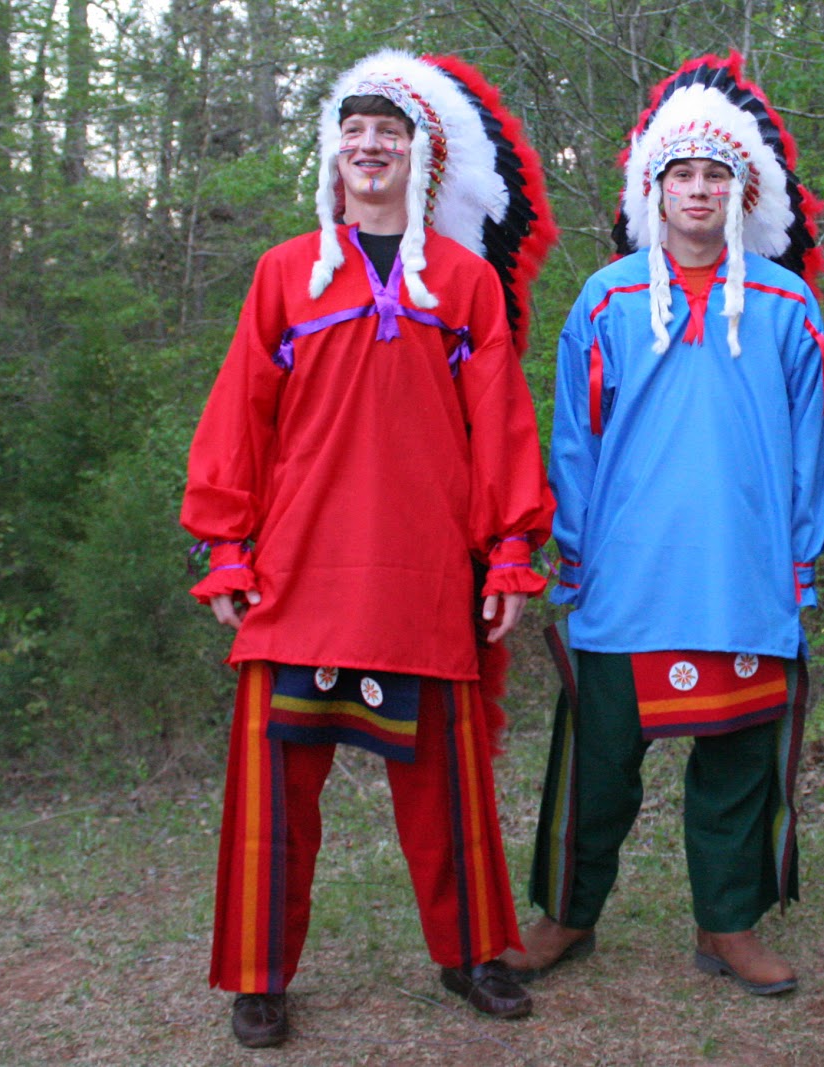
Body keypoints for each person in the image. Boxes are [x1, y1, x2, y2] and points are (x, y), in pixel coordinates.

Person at [181, 50, 556, 1047]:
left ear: (420, 158)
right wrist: (226, 542)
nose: (371, 146)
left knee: (447, 784)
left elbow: (501, 425)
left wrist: (510, 545)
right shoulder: (284, 275)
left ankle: (473, 952)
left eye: (389, 134)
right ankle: (258, 975)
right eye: (355, 134)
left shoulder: (466, 283)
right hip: (298, 571)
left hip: (425, 569)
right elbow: (238, 417)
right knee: (272, 794)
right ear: (334, 155)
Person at [510, 53, 824, 997]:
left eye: (716, 175)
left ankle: (726, 923)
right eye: (682, 174)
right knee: (598, 761)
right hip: (628, 574)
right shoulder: (607, 298)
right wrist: (572, 554)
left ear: (743, 192)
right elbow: (575, 438)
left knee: (736, 763)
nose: (698, 189)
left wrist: (803, 563)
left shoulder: (788, 303)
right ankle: (567, 912)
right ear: (654, 190)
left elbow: (811, 449)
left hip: (745, 575)